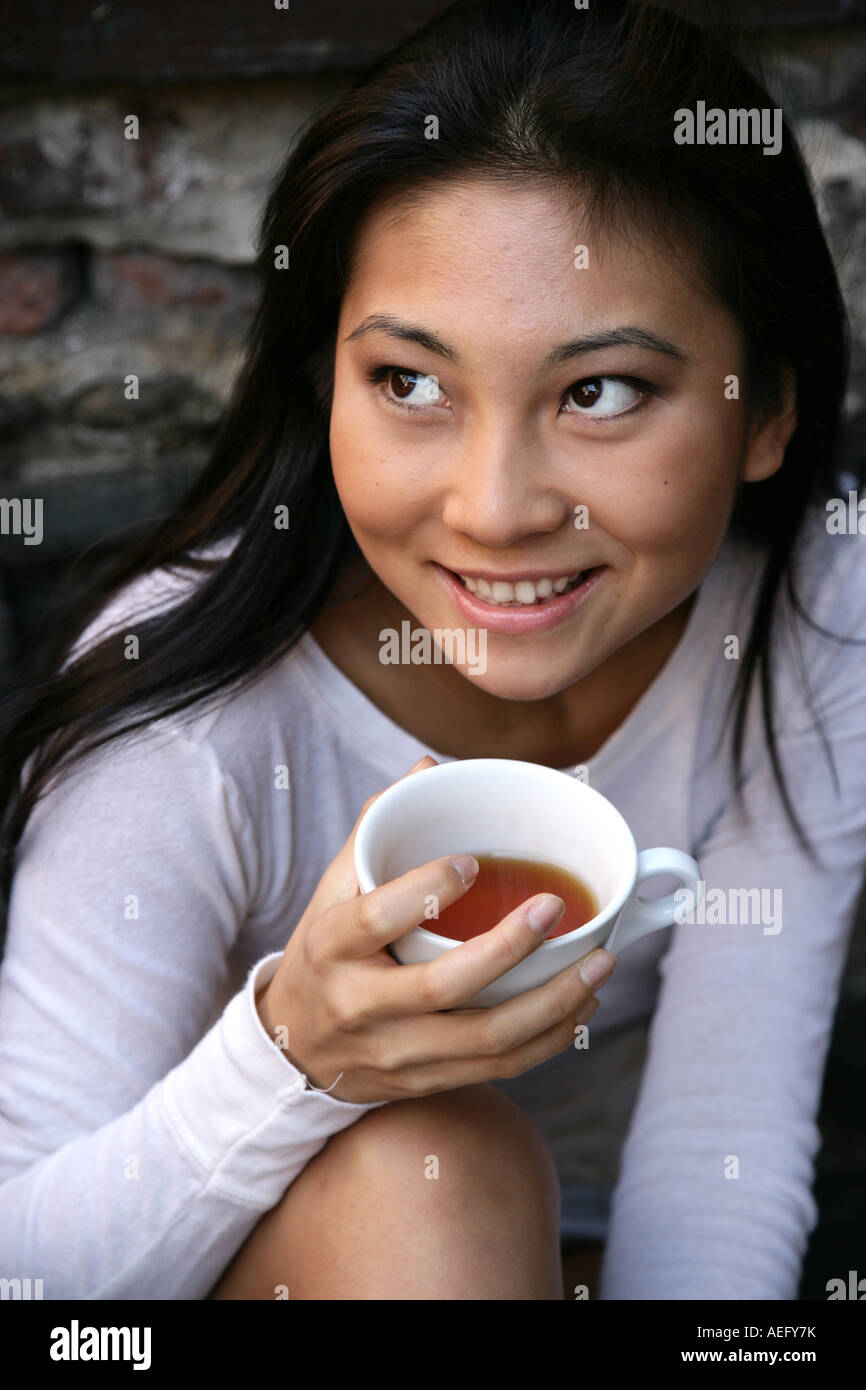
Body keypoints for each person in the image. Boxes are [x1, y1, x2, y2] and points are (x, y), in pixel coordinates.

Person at [1, 0, 864, 1301]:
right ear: (320, 384)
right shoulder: (186, 724)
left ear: (768, 411)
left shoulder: (814, 614)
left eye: (601, 391)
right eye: (409, 381)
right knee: (431, 1167)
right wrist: (292, 1054)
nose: (493, 505)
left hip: (571, 1257)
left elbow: (718, 1154)